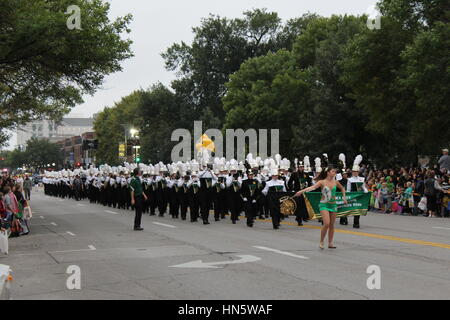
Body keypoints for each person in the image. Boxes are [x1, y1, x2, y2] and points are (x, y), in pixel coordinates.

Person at [294, 167, 347, 249]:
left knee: (332, 225)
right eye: (333, 171)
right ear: (328, 172)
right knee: (326, 223)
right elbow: (312, 188)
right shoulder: (322, 182)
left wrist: (344, 197)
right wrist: (300, 192)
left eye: (335, 172)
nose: (334, 173)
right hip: (324, 205)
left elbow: (342, 188)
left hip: (333, 205)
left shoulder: (336, 182)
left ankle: (330, 243)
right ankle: (321, 241)